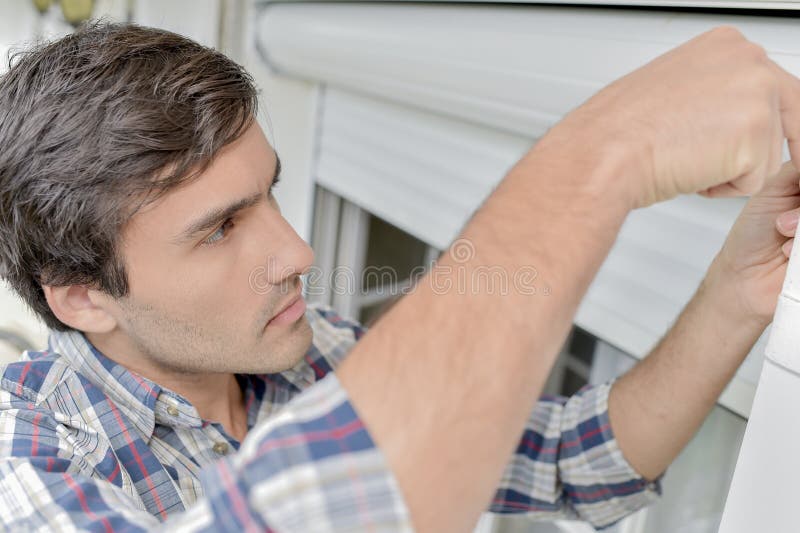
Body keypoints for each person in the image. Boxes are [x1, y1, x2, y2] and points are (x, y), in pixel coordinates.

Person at [0, 20, 798, 532]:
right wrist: (603, 155)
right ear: (83, 295)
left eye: (268, 191)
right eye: (220, 229)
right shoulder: (23, 455)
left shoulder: (317, 360)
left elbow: (572, 459)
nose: (299, 255)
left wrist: (740, 290)